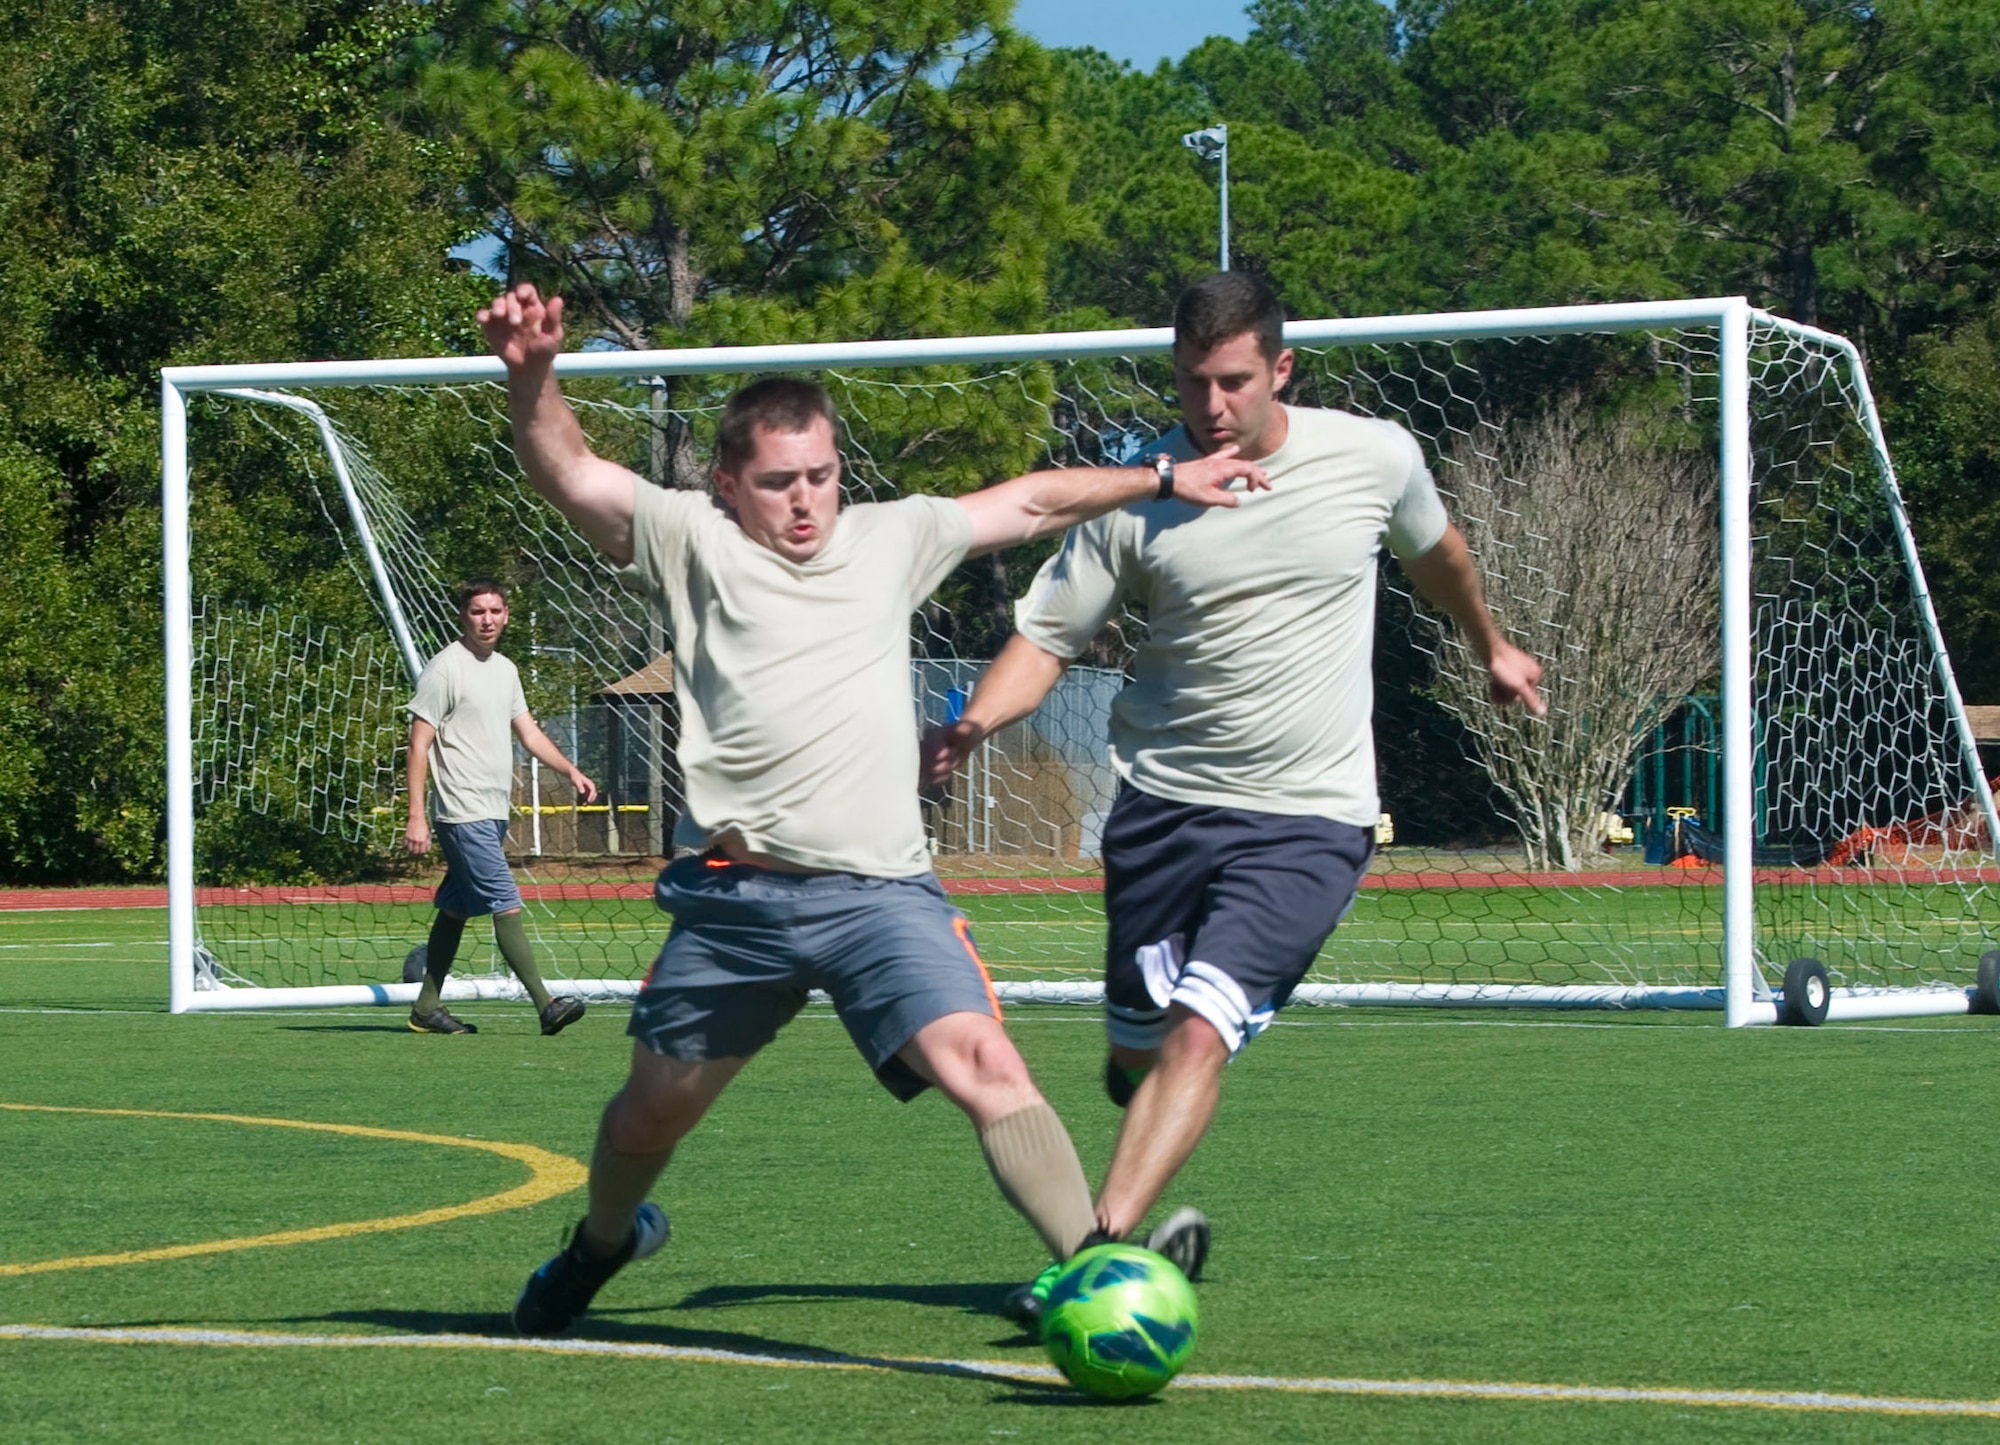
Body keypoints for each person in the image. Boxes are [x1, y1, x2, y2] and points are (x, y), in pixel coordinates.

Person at [476, 282, 1271, 1337]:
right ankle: (602, 1242)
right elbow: (569, 467)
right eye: (776, 482)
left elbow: (1028, 503)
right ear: (727, 481)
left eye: (821, 474)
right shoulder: (688, 541)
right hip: (733, 901)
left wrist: (1164, 472)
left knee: (985, 1062)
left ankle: (1094, 1266)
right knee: (648, 1110)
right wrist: (532, 377)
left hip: (882, 896)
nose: (805, 500)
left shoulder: (892, 538)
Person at [923, 271, 1546, 1320]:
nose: (1207, 406)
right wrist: (976, 722)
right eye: (1189, 383)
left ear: (1280, 369)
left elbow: (1436, 553)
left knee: (1199, 1032)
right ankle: (1140, 1114)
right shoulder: (1137, 495)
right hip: (1160, 810)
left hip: (1309, 815)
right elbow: (1046, 635)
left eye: (1230, 381)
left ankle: (1095, 1250)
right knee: (1137, 1050)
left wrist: (1490, 644)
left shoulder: (1372, 457)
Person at [404, 578, 599, 1037]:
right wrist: (416, 814)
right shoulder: (444, 669)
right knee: (505, 902)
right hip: (462, 811)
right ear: (462, 616)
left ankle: (427, 1008)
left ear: (506, 615)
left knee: (455, 908)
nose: (487, 619)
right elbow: (417, 746)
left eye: (494, 611)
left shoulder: (506, 669)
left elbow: (529, 733)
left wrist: (571, 770)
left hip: (493, 812)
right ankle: (546, 1004)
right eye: (477, 612)